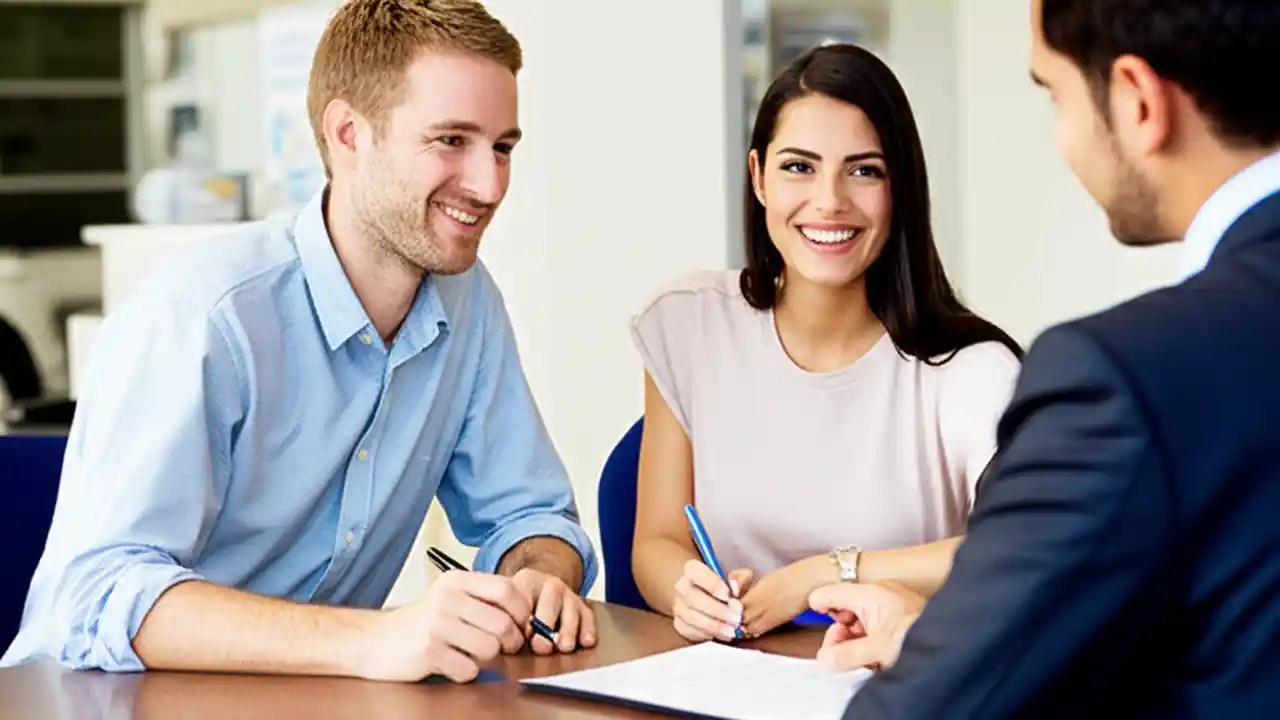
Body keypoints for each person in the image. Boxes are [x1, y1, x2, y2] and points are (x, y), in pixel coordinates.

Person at [1, 0, 598, 683]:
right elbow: (99, 593)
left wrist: (540, 576)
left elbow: (529, 512)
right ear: (348, 134)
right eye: (451, 141)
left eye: (502, 147)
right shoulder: (206, 315)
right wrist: (374, 639)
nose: (489, 184)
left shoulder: (468, 304)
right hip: (89, 702)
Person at [816, 0, 1280, 716]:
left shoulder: (1123, 379)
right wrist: (942, 638)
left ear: (1137, 100)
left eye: (1055, 95)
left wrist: (957, 660)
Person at [629, 44, 1023, 643]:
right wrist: (687, 591)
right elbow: (658, 540)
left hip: (894, 686)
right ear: (758, 176)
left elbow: (1021, 545)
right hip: (731, 681)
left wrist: (823, 575)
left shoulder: (970, 370)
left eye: (864, 170)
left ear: (900, 189)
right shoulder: (689, 326)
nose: (830, 200)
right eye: (798, 167)